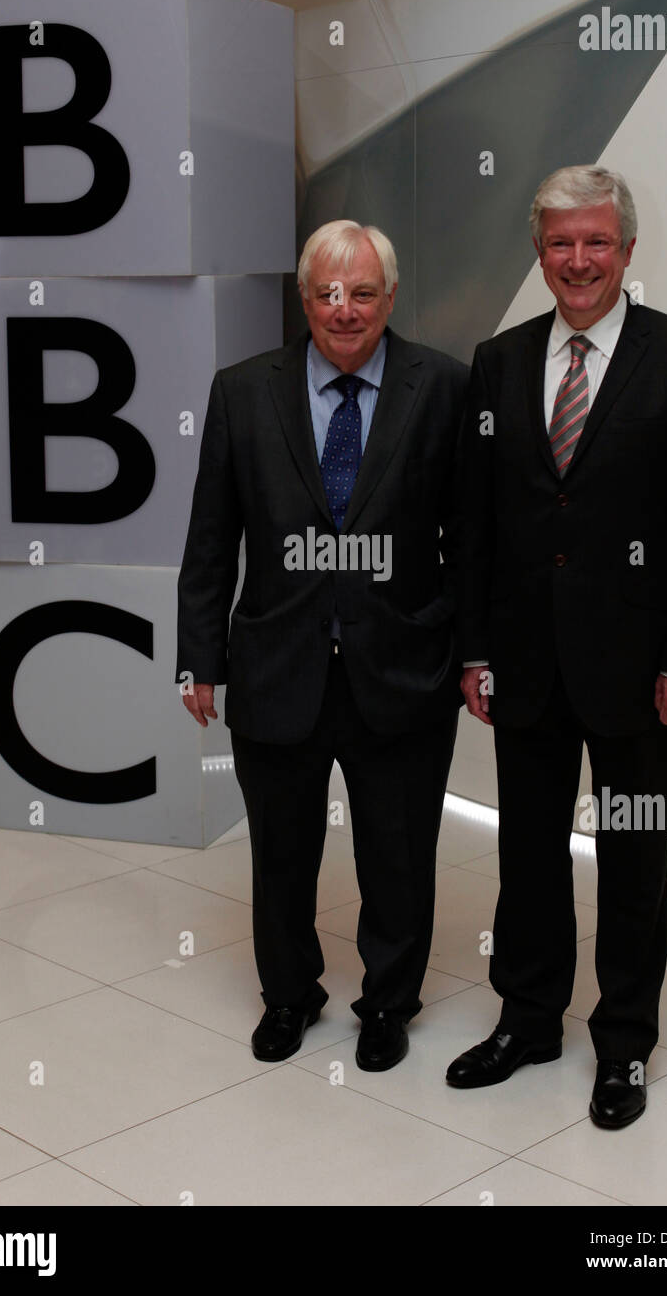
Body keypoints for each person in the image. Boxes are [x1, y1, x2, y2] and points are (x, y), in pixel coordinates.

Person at [449, 166, 667, 1127]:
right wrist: (474, 648)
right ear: (539, 252)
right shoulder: (497, 363)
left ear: (626, 251)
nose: (579, 260)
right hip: (523, 664)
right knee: (526, 854)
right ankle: (528, 1020)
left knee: (635, 854)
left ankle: (624, 1046)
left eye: (596, 242)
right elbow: (476, 523)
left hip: (641, 673)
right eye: (561, 243)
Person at [176, 220, 468, 1070]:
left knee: (399, 854)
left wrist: (464, 647)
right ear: (305, 299)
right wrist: (200, 656)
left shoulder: (443, 388)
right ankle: (289, 995)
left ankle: (388, 1002)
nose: (346, 311)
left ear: (389, 297)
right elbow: (209, 538)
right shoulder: (241, 391)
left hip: (404, 671)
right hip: (277, 669)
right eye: (329, 294)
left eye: (364, 293)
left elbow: (473, 538)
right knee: (282, 855)